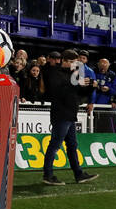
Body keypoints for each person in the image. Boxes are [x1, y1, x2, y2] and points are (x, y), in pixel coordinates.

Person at [39, 49, 99, 185]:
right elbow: (58, 91)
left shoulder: (73, 74)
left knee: (72, 145)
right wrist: (78, 83)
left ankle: (79, 174)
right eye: (72, 62)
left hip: (70, 114)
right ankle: (48, 174)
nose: (75, 65)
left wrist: (91, 86)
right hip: (61, 113)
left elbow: (79, 90)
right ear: (64, 61)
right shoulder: (56, 73)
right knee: (55, 145)